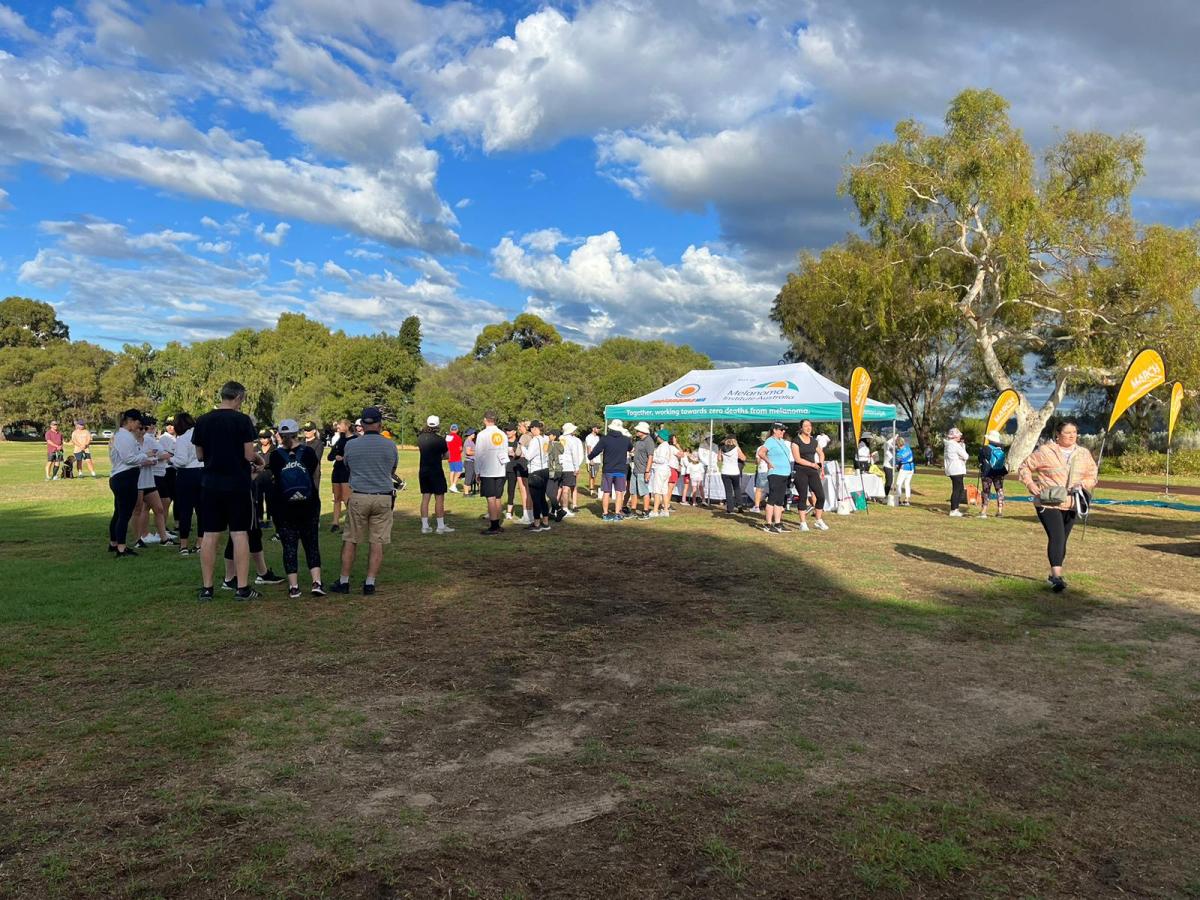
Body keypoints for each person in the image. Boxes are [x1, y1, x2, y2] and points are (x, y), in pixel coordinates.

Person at [193, 381, 261, 601]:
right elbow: (248, 455)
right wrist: (259, 460)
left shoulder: (203, 420)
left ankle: (207, 588)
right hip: (237, 484)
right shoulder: (242, 420)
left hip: (210, 483)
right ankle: (242, 588)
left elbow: (200, 455)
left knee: (210, 535)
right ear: (238, 398)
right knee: (239, 534)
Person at [1017, 420, 1098, 593]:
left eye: (1074, 432)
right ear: (1058, 435)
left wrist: (1083, 484)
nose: (1072, 436)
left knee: (1063, 540)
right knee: (1057, 537)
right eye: (1067, 433)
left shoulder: (1083, 453)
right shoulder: (1045, 451)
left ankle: (1053, 575)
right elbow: (1024, 467)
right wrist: (1030, 484)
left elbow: (1093, 475)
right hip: (1048, 502)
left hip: (1072, 503)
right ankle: (1056, 577)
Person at [331, 407, 398, 595]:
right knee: (377, 541)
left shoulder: (352, 445)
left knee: (351, 539)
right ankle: (370, 583)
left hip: (359, 495)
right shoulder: (390, 445)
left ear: (362, 424)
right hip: (383, 496)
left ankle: (344, 581)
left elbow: (348, 466)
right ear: (379, 424)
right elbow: (392, 470)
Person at [269, 420, 324, 598]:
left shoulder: (275, 456)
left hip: (284, 506)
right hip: (308, 504)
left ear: (280, 435)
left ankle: (294, 586)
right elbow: (315, 474)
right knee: (311, 543)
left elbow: (275, 478)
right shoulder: (308, 452)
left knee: (289, 546)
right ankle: (316, 582)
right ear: (297, 433)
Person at [108, 410, 152, 557]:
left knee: (119, 512)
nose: (139, 426)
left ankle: (114, 543)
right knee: (124, 514)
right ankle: (121, 548)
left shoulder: (124, 436)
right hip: (124, 478)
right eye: (138, 423)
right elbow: (129, 459)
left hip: (123, 477)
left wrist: (142, 456)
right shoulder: (124, 436)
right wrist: (145, 456)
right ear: (130, 421)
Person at [134, 417, 174, 547]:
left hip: (149, 480)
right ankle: (140, 538)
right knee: (139, 509)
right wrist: (147, 457)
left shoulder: (149, 440)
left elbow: (159, 453)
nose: (144, 431)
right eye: (142, 428)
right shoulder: (132, 442)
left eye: (145, 428)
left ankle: (163, 538)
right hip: (138, 480)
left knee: (159, 508)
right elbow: (131, 460)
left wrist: (153, 458)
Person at [171, 412, 203, 555]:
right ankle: (200, 543)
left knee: (185, 510)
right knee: (202, 511)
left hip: (186, 475)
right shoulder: (201, 435)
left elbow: (182, 461)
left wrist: (170, 459)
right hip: (202, 473)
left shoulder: (183, 438)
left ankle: (183, 545)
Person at [589, 418, 633, 521]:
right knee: (619, 492)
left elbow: (596, 451)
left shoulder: (605, 439)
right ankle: (617, 514)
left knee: (606, 492)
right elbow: (631, 449)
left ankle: (605, 514)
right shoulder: (626, 440)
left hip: (608, 470)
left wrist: (590, 457)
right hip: (621, 470)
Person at [417, 415, 454, 534]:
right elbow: (447, 456)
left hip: (423, 470)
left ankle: (425, 526)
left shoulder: (420, 438)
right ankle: (440, 526)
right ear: (438, 425)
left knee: (425, 498)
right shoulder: (440, 440)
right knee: (439, 498)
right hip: (436, 470)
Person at [475, 411, 509, 535]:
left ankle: (494, 526)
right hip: (500, 469)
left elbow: (478, 454)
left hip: (487, 470)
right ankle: (497, 524)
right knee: (498, 497)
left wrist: (477, 471)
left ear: (485, 420)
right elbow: (505, 451)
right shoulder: (502, 434)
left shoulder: (482, 434)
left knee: (490, 498)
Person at [791, 419, 829, 531]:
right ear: (801, 428)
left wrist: (821, 466)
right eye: (805, 426)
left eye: (810, 426)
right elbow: (797, 459)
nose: (808, 428)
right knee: (803, 496)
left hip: (813, 471)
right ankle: (803, 523)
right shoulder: (796, 441)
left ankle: (818, 520)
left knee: (821, 496)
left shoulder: (813, 441)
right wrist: (812, 464)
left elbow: (821, 453)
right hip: (800, 470)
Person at [756, 423, 793, 534]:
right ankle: (768, 524)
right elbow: (761, 452)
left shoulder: (781, 441)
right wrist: (769, 462)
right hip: (775, 473)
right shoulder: (770, 441)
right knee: (772, 498)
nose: (783, 432)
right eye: (781, 430)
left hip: (784, 473)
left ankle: (777, 523)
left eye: (784, 430)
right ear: (774, 430)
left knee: (780, 499)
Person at [521, 420, 552, 531]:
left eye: (531, 429)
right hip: (545, 470)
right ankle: (546, 522)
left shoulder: (535, 440)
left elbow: (528, 456)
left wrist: (522, 447)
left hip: (535, 471)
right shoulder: (545, 439)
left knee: (536, 499)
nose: (531, 431)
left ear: (535, 428)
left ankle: (537, 523)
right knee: (542, 497)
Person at [328, 419, 354, 532]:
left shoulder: (354, 439)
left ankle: (350, 524)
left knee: (347, 498)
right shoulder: (340, 439)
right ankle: (335, 523)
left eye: (340, 426)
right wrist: (336, 456)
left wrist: (344, 458)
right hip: (337, 471)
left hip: (347, 471)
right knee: (337, 497)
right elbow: (330, 456)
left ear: (347, 426)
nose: (338, 428)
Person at [979, 429, 1008, 518]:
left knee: (986, 491)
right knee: (999, 490)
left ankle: (984, 511)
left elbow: (980, 460)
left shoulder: (985, 448)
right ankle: (1000, 511)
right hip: (999, 471)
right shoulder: (1001, 448)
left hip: (987, 472)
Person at [630, 422, 656, 519]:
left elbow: (650, 457)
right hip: (635, 470)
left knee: (644, 491)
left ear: (643, 431)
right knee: (633, 491)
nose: (636, 431)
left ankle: (645, 512)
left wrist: (647, 471)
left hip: (643, 470)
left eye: (638, 430)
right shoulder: (638, 441)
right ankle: (633, 510)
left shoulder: (649, 441)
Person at [559, 423, 584, 515]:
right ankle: (565, 509)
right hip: (569, 467)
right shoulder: (572, 440)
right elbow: (575, 455)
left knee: (559, 488)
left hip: (559, 466)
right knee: (566, 489)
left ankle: (555, 507)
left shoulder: (560, 438)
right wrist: (576, 467)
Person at [943, 427, 969, 517]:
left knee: (959, 489)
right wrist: (962, 450)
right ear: (954, 436)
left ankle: (955, 508)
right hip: (957, 469)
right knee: (957, 490)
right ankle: (954, 509)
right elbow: (966, 456)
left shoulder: (948, 444)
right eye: (958, 435)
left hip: (951, 469)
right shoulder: (955, 445)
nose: (960, 437)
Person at [649, 429, 675, 518]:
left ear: (661, 437)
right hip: (666, 469)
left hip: (660, 469)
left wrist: (652, 459)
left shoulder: (663, 446)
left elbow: (661, 460)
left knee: (657, 491)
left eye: (658, 436)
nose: (657, 437)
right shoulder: (666, 446)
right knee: (664, 491)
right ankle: (665, 510)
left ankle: (655, 511)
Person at [718, 432, 746, 514]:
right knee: (737, 489)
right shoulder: (737, 448)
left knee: (728, 491)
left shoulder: (722, 448)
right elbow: (743, 458)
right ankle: (739, 506)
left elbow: (719, 459)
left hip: (725, 471)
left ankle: (730, 509)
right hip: (734, 471)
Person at [158, 418, 178, 524]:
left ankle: (177, 522)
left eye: (172, 424)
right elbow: (164, 454)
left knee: (177, 498)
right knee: (167, 499)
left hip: (176, 469)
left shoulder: (177, 437)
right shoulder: (164, 438)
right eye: (168, 424)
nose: (170, 427)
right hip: (167, 469)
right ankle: (163, 525)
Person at [894, 436, 915, 506]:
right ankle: (907, 499)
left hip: (904, 468)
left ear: (897, 444)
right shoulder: (908, 448)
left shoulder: (899, 454)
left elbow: (898, 462)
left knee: (898, 483)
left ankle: (898, 498)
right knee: (907, 484)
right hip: (911, 467)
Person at [752, 431, 769, 512]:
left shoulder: (760, 448)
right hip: (771, 470)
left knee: (759, 489)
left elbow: (758, 461)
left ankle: (756, 507)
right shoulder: (773, 447)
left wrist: (755, 462)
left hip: (762, 469)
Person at [445, 424, 464, 493]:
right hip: (457, 457)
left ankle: (452, 485)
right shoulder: (458, 438)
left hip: (450, 457)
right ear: (457, 430)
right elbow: (460, 448)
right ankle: (453, 485)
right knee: (459, 471)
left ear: (450, 429)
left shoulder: (447, 437)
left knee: (452, 471)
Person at [585, 424, 602, 494]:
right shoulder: (589, 437)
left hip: (597, 459)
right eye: (597, 428)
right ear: (593, 429)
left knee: (595, 475)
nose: (598, 429)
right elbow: (589, 448)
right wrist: (591, 459)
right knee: (591, 475)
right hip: (591, 459)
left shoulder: (597, 437)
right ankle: (591, 491)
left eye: (599, 428)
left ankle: (592, 489)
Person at [462, 428, 478, 497]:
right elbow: (468, 452)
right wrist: (477, 452)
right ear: (470, 434)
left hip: (473, 462)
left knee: (472, 478)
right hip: (469, 462)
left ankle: (468, 492)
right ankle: (466, 493)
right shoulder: (468, 442)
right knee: (468, 478)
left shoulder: (472, 441)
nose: (474, 434)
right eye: (473, 433)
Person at [882, 431, 896, 498]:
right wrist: (895, 437)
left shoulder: (892, 446)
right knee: (889, 481)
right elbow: (888, 442)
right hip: (887, 466)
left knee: (890, 481)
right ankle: (885, 495)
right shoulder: (886, 445)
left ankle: (885, 494)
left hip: (891, 466)